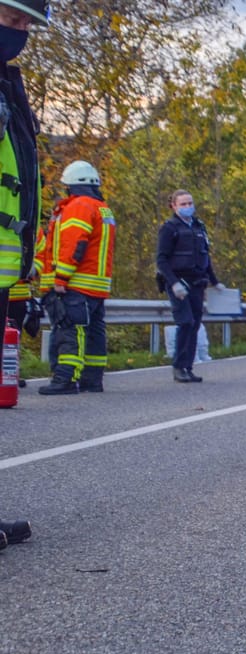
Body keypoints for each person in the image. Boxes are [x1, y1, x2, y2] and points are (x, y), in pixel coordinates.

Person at [0, 0, 48, 547]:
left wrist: (20, 282)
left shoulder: (8, 88)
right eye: (12, 22)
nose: (21, 35)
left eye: (26, 26)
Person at [37, 161, 116, 395]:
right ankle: (92, 380)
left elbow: (75, 245)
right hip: (97, 284)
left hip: (77, 283)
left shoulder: (78, 206)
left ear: (71, 185)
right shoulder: (102, 208)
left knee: (70, 329)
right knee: (94, 332)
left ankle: (66, 379)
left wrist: (60, 278)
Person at [156, 189, 225, 383]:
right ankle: (178, 367)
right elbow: (161, 260)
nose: (188, 207)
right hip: (178, 283)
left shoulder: (198, 227)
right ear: (174, 206)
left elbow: (205, 257)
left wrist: (215, 281)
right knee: (184, 322)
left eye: (190, 203)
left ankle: (188, 367)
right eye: (183, 204)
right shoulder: (169, 228)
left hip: (197, 283)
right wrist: (174, 283)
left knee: (194, 324)